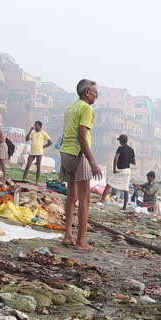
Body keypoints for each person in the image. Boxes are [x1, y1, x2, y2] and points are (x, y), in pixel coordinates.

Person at [59, 79, 103, 250]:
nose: (96, 95)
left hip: (66, 152)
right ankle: (81, 241)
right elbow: (82, 136)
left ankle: (67, 235)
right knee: (84, 199)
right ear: (87, 92)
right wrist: (92, 162)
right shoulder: (87, 108)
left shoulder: (71, 108)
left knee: (72, 196)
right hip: (79, 154)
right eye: (95, 92)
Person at [102, 134, 136, 209]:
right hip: (127, 171)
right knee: (126, 189)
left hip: (120, 171)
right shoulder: (131, 150)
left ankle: (102, 200)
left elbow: (116, 158)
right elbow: (134, 162)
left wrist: (114, 169)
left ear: (121, 140)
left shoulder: (120, 148)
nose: (119, 142)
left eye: (119, 140)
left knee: (109, 185)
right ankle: (124, 207)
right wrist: (127, 159)